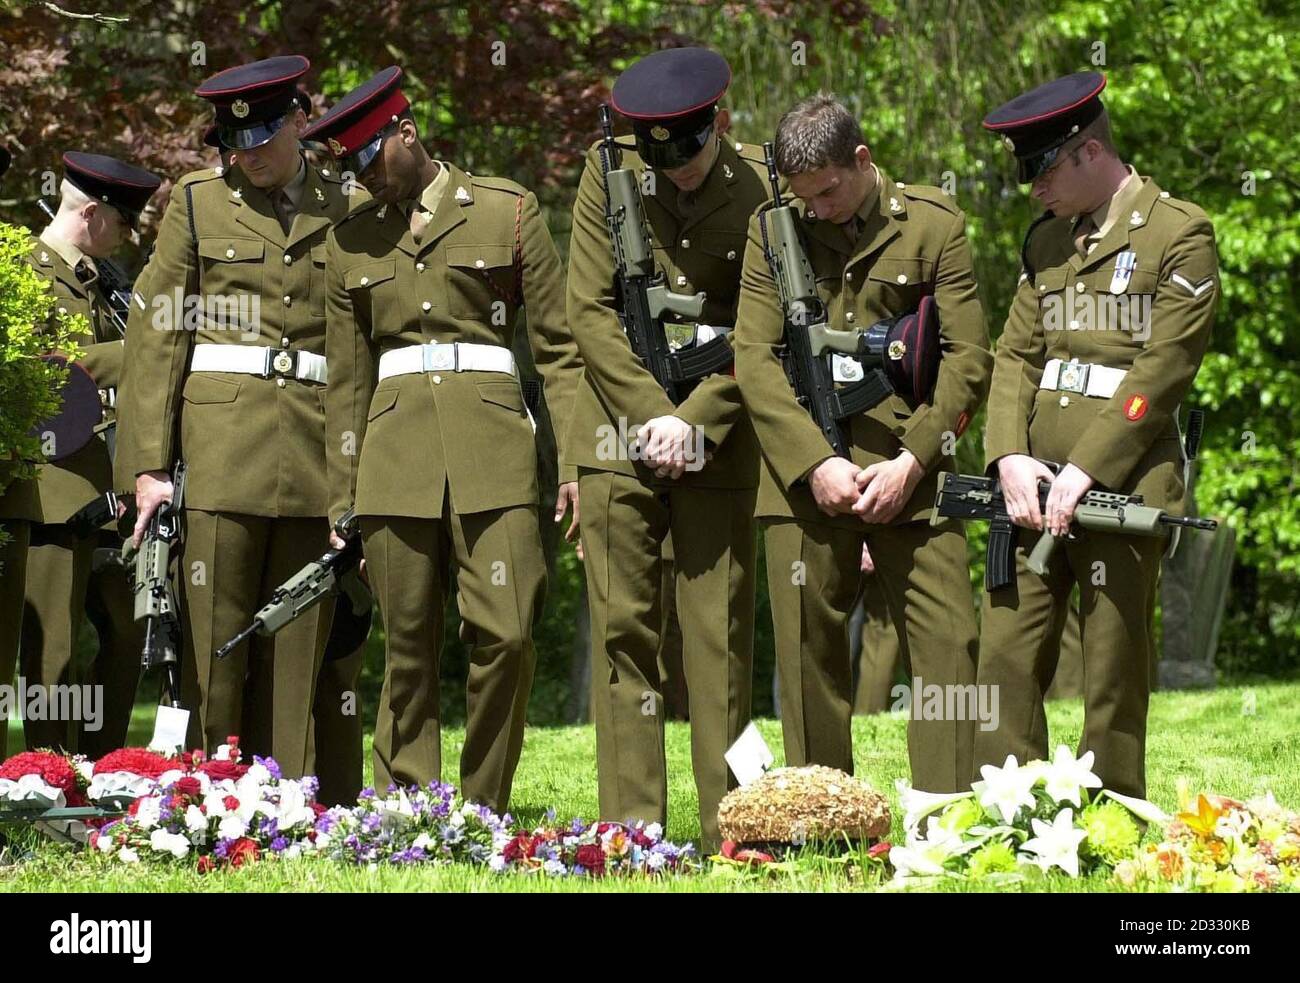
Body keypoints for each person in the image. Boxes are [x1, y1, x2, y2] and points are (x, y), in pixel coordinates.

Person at [308, 66, 582, 812]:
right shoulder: (349, 242)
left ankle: (483, 803)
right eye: (350, 167)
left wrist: (578, 462)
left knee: (510, 629)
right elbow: (345, 385)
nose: (364, 178)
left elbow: (557, 351)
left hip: (495, 452)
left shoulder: (507, 211)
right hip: (392, 464)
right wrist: (343, 499)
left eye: (371, 158)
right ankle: (405, 809)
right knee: (406, 647)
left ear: (407, 131)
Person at [734, 94, 991, 793]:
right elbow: (752, 356)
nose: (816, 209)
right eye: (802, 196)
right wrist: (812, 460)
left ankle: (949, 815)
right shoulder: (773, 230)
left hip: (911, 470)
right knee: (807, 651)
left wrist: (914, 459)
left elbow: (969, 358)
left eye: (827, 191)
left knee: (949, 646)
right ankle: (826, 812)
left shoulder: (934, 225)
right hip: (804, 477)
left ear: (862, 160)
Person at [976, 72, 1219, 797]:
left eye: (1043, 171)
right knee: (1006, 658)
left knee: (1112, 668)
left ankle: (1112, 814)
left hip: (1124, 488)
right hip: (1030, 489)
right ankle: (1003, 810)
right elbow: (1015, 355)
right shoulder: (1047, 242)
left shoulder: (1179, 232)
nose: (1033, 191)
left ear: (1087, 152)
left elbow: (1163, 370)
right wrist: (1007, 455)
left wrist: (1087, 466)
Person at [117, 55, 353, 775]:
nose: (248, 155)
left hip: (318, 449)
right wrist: (148, 468)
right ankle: (203, 796)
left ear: (301, 122)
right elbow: (158, 332)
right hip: (220, 449)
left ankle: (287, 801)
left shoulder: (347, 203)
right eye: (234, 143)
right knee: (212, 645)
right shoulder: (196, 201)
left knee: (298, 643)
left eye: (264, 138)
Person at [565, 47, 767, 851]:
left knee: (719, 643)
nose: (676, 172)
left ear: (718, 123)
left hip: (718, 432)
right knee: (624, 637)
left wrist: (698, 419)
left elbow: (765, 328)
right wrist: (653, 413)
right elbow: (588, 308)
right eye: (659, 156)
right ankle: (632, 831)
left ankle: (737, 827)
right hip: (618, 432)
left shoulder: (759, 187)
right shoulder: (605, 170)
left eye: (688, 152)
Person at [17, 152, 160, 755]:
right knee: (50, 649)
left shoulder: (103, 282)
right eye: (125, 224)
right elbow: (46, 377)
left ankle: (103, 768)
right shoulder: (26, 271)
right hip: (51, 489)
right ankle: (46, 781)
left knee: (131, 634)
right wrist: (146, 352)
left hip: (111, 491)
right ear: (94, 213)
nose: (130, 236)